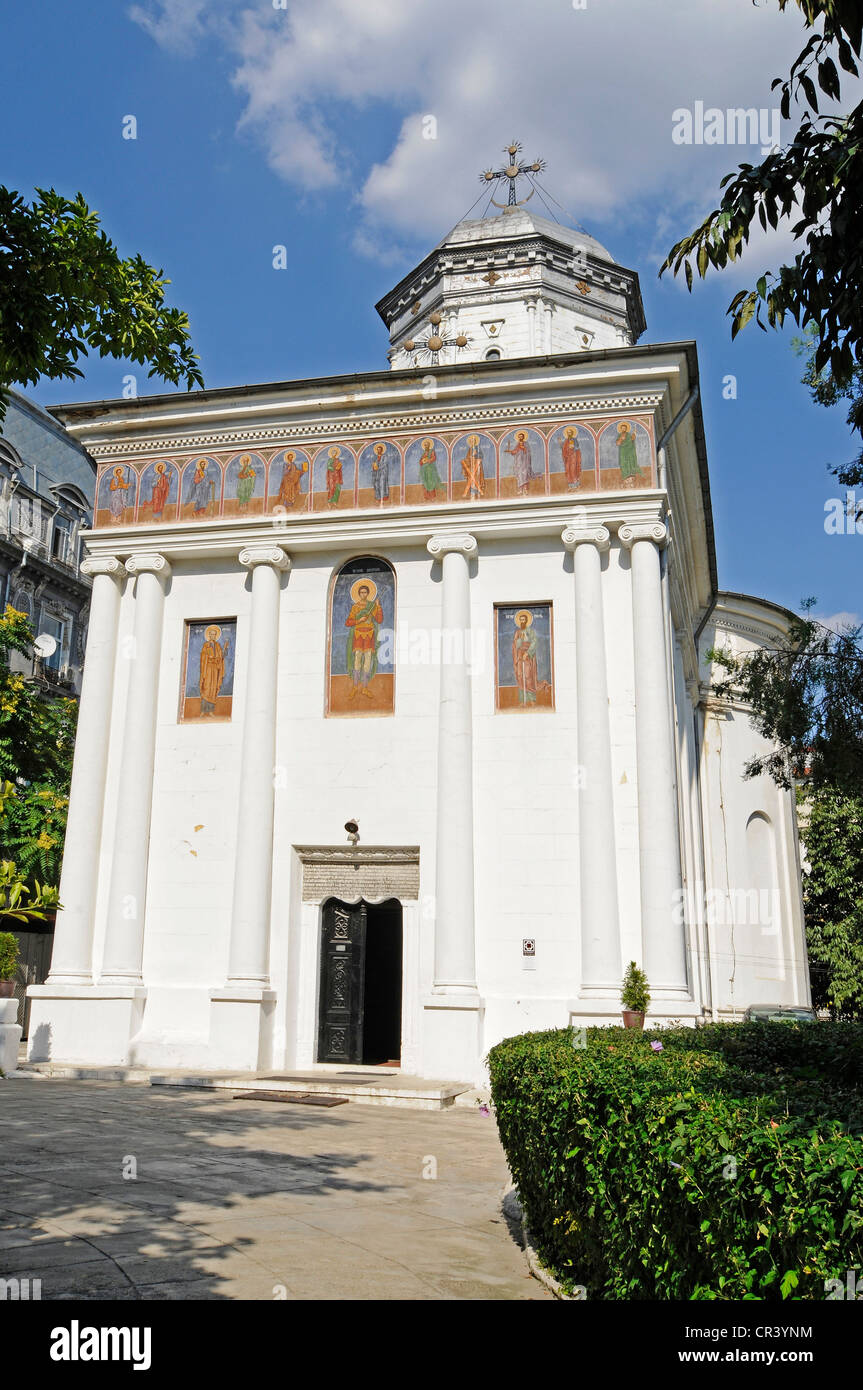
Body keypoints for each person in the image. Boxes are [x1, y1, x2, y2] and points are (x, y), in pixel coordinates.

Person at [345, 580, 383, 699]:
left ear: (368, 593)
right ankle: (355, 687)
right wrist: (358, 621)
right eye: (361, 592)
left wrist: (378, 606)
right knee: (357, 660)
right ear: (358, 593)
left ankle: (365, 688)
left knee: (367, 662)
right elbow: (348, 622)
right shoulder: (355, 607)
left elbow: (379, 620)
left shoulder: (372, 605)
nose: (363, 594)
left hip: (369, 636)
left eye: (365, 592)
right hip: (358, 636)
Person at [199, 624, 228, 716]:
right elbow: (203, 658)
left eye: (214, 634)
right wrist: (209, 657)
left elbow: (221, 657)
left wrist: (225, 649)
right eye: (211, 634)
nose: (213, 636)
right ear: (209, 635)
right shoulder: (206, 645)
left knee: (213, 689)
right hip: (208, 669)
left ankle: (210, 711)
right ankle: (203, 711)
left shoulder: (218, 646)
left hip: (215, 669)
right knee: (206, 688)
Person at [512, 609, 538, 706]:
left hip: (527, 656)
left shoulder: (531, 631)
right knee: (520, 676)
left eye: (524, 619)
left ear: (526, 621)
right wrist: (519, 640)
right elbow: (515, 645)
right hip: (519, 656)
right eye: (521, 620)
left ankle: (532, 700)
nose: (522, 621)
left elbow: (534, 642)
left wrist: (527, 653)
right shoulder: (518, 632)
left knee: (528, 676)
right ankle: (523, 701)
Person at [505, 431, 538, 495]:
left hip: (525, 462)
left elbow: (528, 452)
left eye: (521, 436)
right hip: (518, 463)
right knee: (520, 475)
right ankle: (520, 490)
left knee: (525, 475)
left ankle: (525, 490)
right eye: (519, 437)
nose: (520, 438)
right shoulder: (517, 444)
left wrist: (524, 448)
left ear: (523, 437)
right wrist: (511, 451)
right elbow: (514, 452)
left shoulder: (526, 443)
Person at [616, 421, 642, 487]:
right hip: (623, 452)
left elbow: (632, 439)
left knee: (630, 462)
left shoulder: (628, 435)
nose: (623, 429)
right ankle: (625, 476)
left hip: (629, 451)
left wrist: (634, 433)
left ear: (626, 429)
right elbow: (617, 443)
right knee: (623, 463)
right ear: (621, 429)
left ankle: (630, 476)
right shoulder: (619, 435)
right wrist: (621, 439)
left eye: (625, 428)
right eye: (622, 428)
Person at [460, 434, 485, 499]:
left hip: (477, 464)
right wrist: (466, 461)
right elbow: (468, 457)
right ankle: (472, 491)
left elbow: (481, 456)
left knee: (477, 477)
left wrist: (475, 454)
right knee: (470, 477)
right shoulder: (470, 449)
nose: (472, 442)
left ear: (475, 441)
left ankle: (478, 491)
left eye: (473, 441)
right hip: (471, 465)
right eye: (471, 441)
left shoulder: (477, 448)